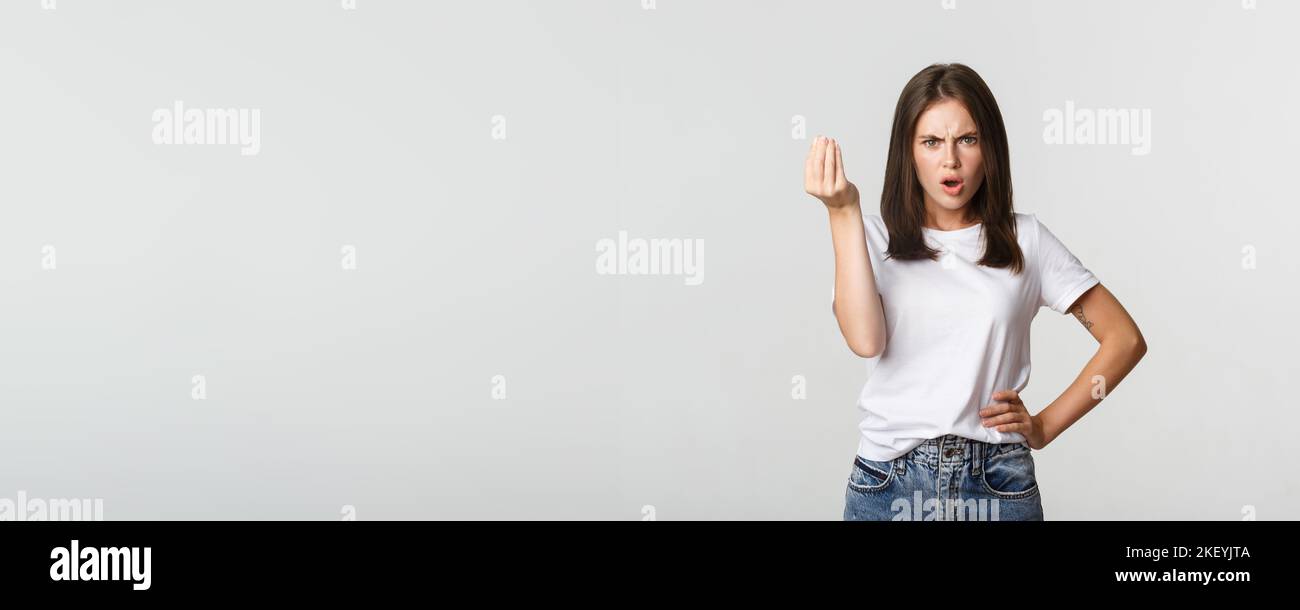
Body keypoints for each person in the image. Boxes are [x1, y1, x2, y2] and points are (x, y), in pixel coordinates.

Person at [804, 63, 1148, 521]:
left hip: (997, 482)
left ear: (990, 148)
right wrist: (843, 212)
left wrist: (1044, 425)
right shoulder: (871, 237)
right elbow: (865, 341)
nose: (951, 160)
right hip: (888, 484)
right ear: (908, 153)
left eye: (967, 139)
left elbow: (1124, 340)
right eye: (931, 142)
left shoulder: (1026, 239)